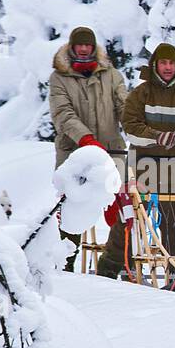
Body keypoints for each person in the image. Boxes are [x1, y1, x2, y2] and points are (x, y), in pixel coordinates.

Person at [47, 25, 127, 271]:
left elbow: (124, 106)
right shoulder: (59, 78)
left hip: (112, 152)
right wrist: (85, 138)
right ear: (72, 47)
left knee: (124, 210)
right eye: (79, 45)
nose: (84, 49)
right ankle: (65, 265)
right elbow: (62, 113)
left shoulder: (111, 75)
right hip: (75, 155)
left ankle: (113, 264)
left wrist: (139, 127)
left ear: (94, 48)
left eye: (88, 45)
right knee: (73, 210)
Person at [121, 42, 175, 265]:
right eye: (163, 63)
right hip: (142, 164)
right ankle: (123, 264)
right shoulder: (141, 93)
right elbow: (130, 127)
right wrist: (157, 136)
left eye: (171, 63)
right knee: (136, 215)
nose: (168, 67)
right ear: (155, 65)